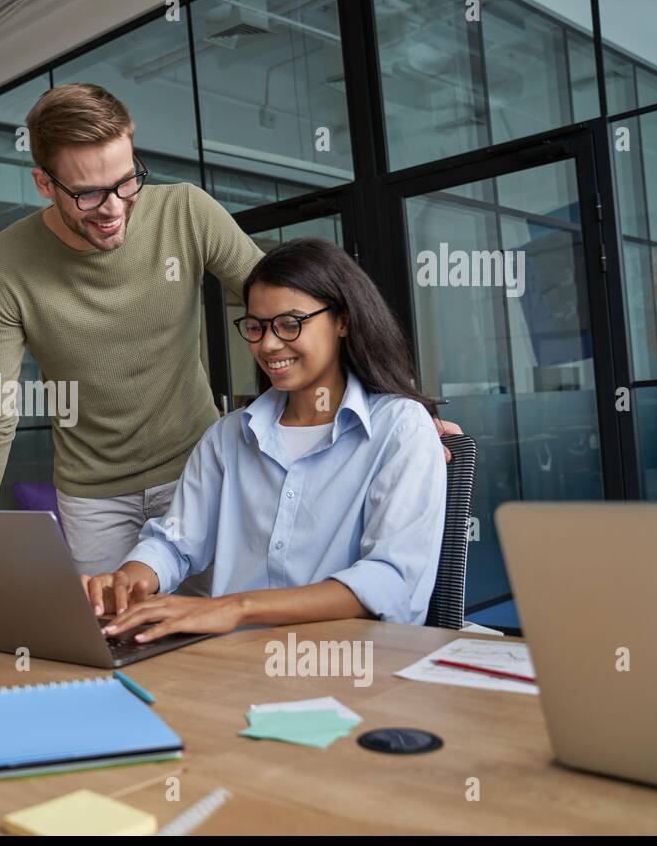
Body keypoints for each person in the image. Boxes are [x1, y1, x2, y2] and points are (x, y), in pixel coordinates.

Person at [0, 83, 459, 581]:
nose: (114, 208)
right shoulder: (4, 263)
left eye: (126, 182)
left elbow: (293, 312)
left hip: (200, 467)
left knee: (210, 636)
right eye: (88, 194)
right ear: (44, 183)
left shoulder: (185, 212)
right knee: (117, 640)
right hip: (93, 495)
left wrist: (400, 406)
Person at [83, 239, 447, 638]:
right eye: (256, 327)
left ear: (342, 320)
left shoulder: (400, 428)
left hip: (347, 662)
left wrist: (237, 608)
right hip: (232, 661)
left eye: (290, 324)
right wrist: (129, 579)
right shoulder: (228, 436)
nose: (268, 344)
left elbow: (390, 581)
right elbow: (175, 544)